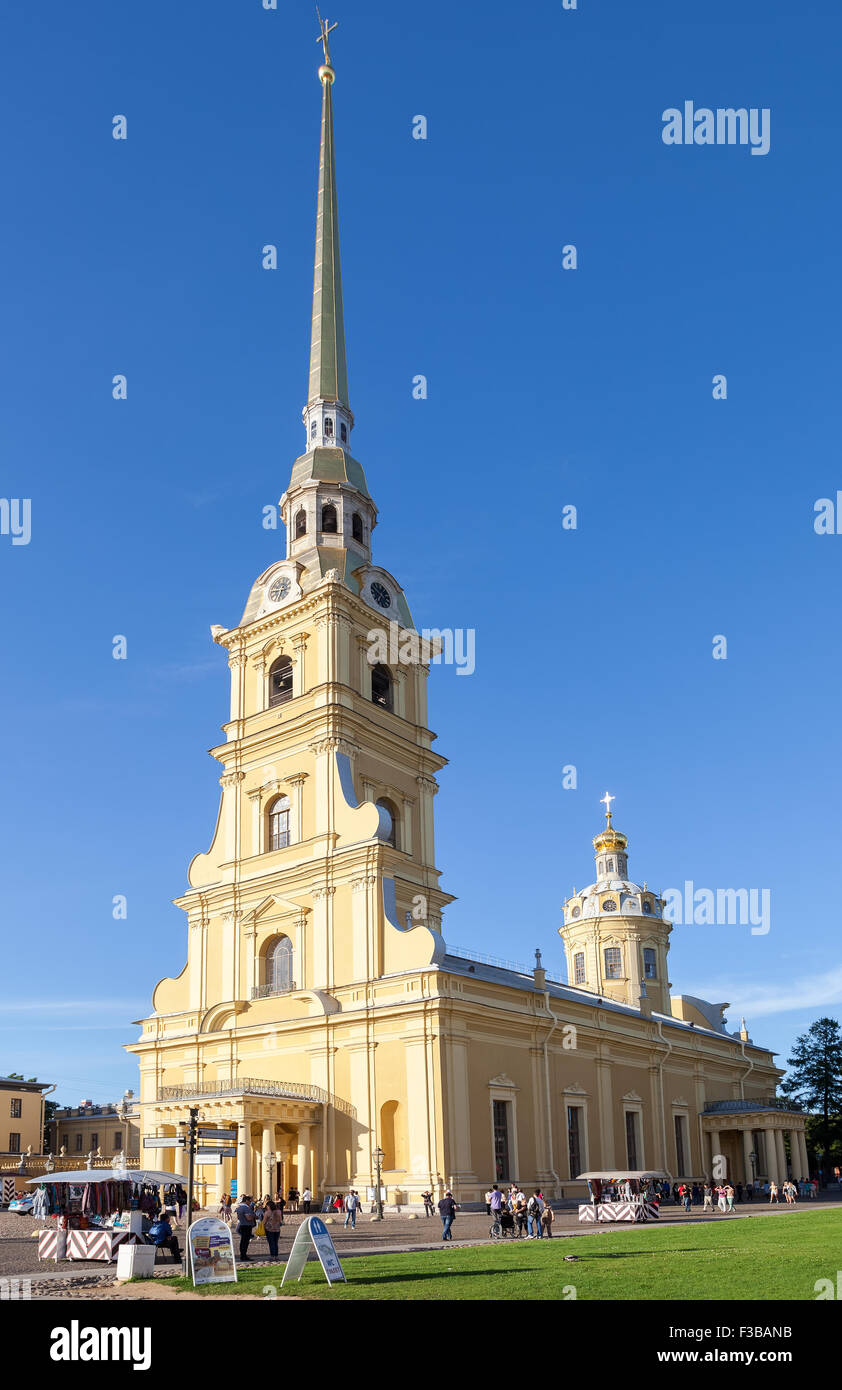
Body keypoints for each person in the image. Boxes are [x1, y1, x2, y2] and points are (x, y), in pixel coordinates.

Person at [235, 1194, 256, 1261]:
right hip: (246, 1226)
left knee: (243, 1241)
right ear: (246, 1201)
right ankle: (244, 1256)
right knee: (245, 1242)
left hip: (242, 1224)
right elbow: (248, 1218)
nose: (250, 1202)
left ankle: (243, 1255)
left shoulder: (239, 1207)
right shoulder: (246, 1208)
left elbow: (238, 1217)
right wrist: (254, 1216)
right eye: (250, 1201)